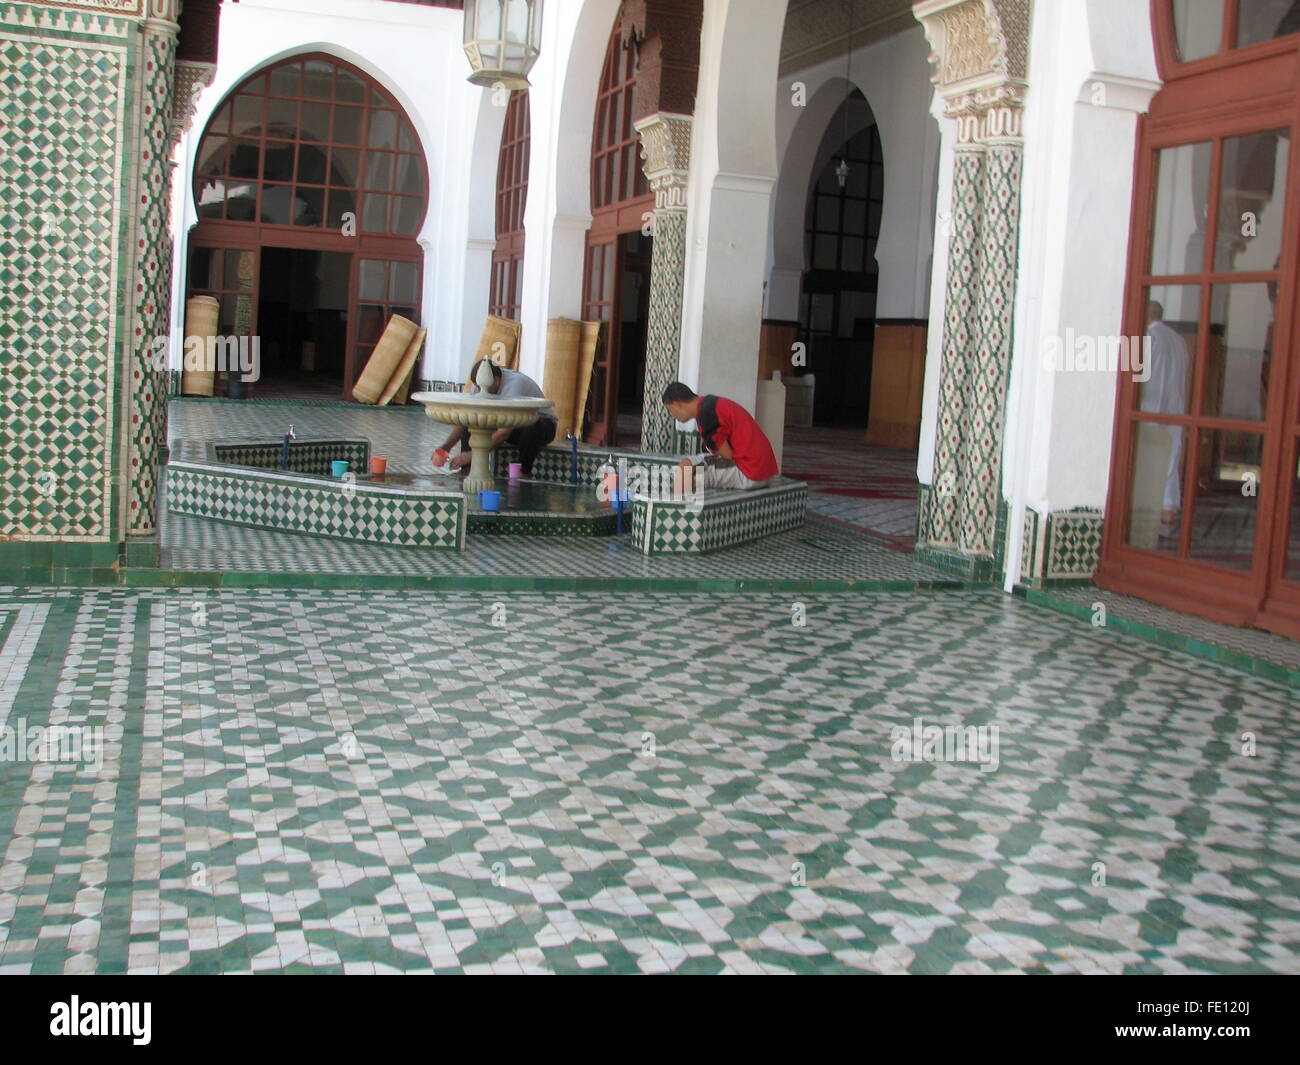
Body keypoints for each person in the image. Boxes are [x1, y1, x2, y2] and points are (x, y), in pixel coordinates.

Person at [432, 360, 557, 476]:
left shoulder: (514, 386)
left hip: (542, 427)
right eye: (477, 386)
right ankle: (467, 470)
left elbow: (504, 432)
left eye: (481, 386)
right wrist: (446, 447)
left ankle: (524, 473)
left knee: (530, 427)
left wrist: (471, 455)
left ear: (496, 380)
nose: (479, 390)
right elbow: (465, 419)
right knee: (471, 420)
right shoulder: (480, 385)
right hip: (510, 425)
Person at [662, 381, 779, 492]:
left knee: (686, 469)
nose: (672, 415)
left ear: (677, 404)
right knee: (691, 464)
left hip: (751, 472)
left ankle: (667, 504)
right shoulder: (710, 404)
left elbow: (727, 455)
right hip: (765, 471)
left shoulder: (705, 415)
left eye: (670, 410)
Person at [1141, 301, 1191, 533]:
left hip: (1148, 406)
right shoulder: (1179, 340)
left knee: (1148, 460)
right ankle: (1168, 511)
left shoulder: (1148, 338)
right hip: (1175, 408)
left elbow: (1136, 373)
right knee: (1170, 458)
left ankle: (1145, 516)